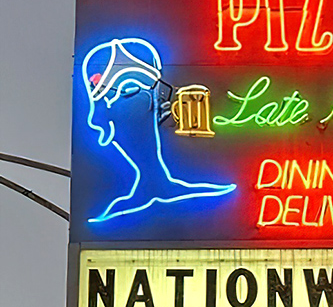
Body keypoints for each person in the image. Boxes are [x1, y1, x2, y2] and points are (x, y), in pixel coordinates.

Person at [81, 36, 235, 223]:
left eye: (133, 92)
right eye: (110, 96)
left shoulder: (213, 203)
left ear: (161, 107)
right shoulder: (114, 216)